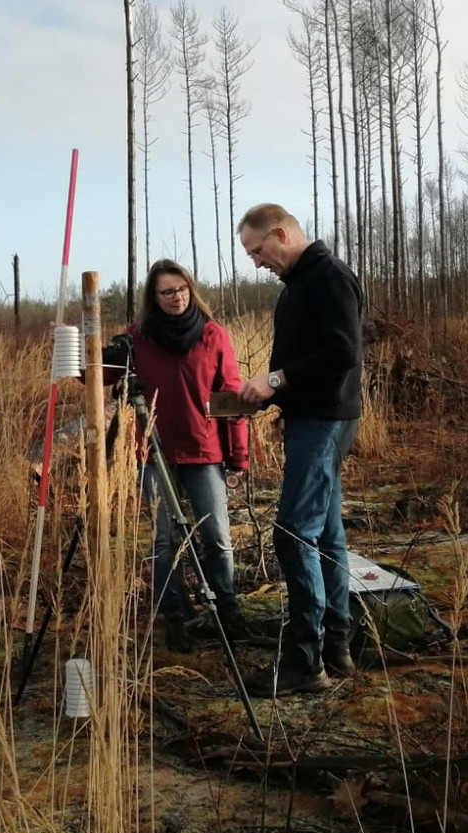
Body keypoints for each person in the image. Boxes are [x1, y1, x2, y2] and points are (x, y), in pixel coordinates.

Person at [235, 204, 364, 696]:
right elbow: (301, 359)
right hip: (310, 420)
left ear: (281, 234)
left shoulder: (328, 276)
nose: (256, 262)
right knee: (326, 536)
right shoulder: (296, 287)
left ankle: (304, 663)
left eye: (257, 250)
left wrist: (275, 380)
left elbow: (342, 350)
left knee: (293, 535)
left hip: (327, 423)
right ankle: (337, 647)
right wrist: (276, 401)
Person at [114, 259, 252, 652]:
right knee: (164, 541)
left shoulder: (212, 335)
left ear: (191, 290)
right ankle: (174, 614)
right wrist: (69, 344)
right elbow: (97, 372)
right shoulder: (136, 339)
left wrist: (237, 458)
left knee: (217, 537)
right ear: (153, 299)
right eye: (167, 292)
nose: (176, 297)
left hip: (204, 453)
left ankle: (226, 611)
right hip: (155, 456)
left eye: (181, 289)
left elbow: (231, 399)